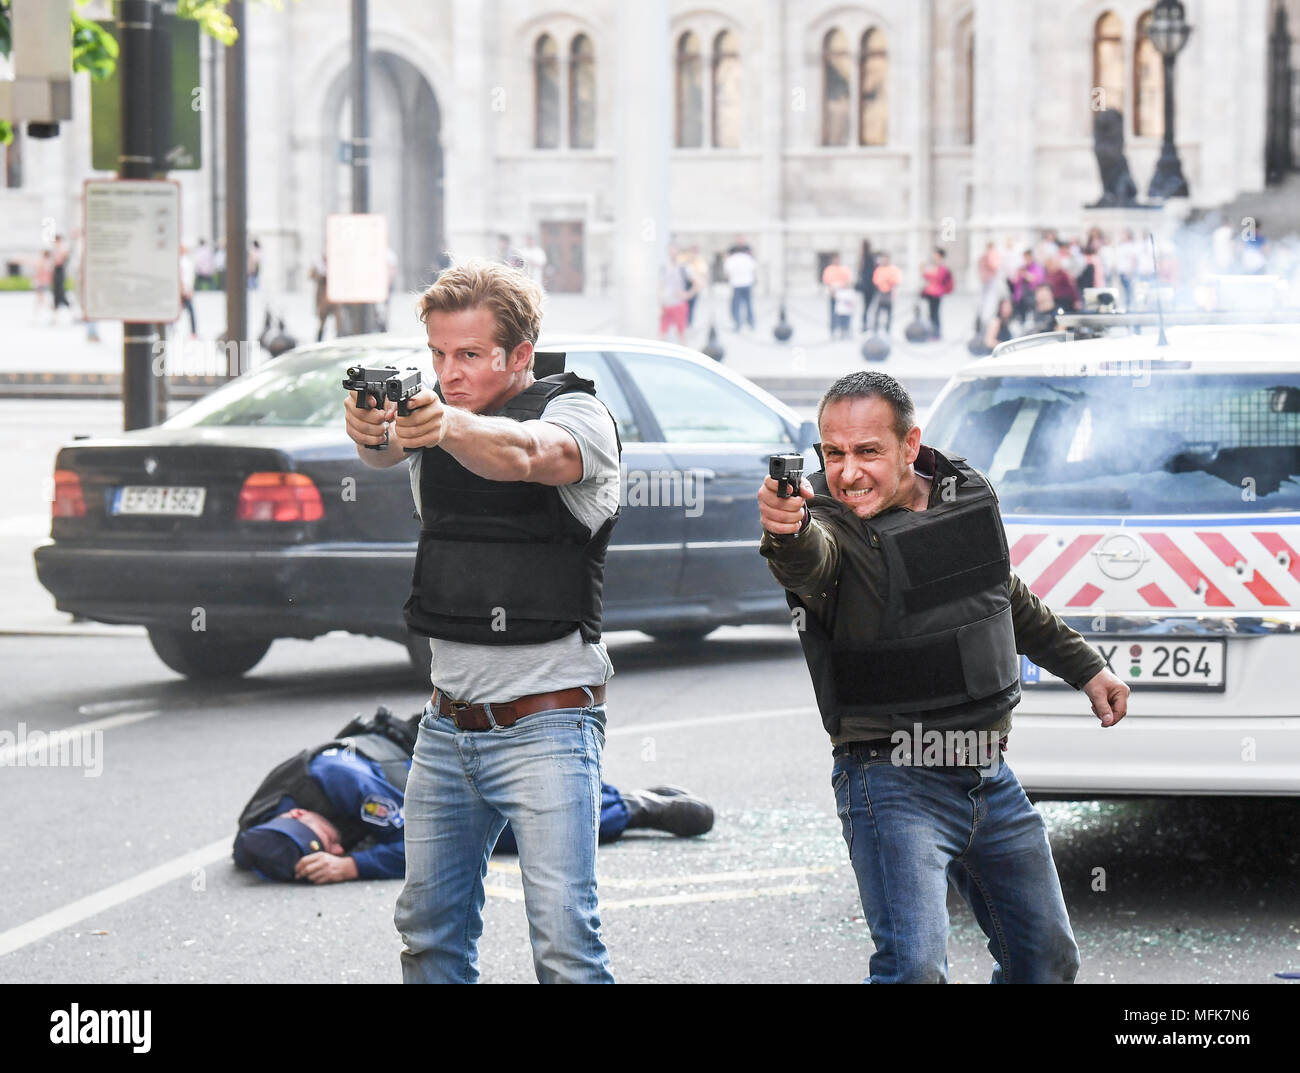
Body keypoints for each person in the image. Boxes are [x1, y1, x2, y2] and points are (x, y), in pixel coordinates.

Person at [755, 370, 1130, 984]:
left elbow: (1001, 595)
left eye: (867, 452)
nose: (847, 473)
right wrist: (786, 529)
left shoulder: (961, 494)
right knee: (915, 970)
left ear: (910, 445)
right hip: (891, 780)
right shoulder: (824, 520)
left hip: (990, 775)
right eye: (833, 453)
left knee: (1046, 960)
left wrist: (1086, 669)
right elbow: (807, 562)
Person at [344, 258, 621, 985]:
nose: (450, 370)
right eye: (438, 353)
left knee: (566, 949)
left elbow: (530, 456)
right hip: (444, 729)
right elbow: (381, 451)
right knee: (429, 938)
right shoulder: (432, 414)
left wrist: (444, 424)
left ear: (520, 354)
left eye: (469, 354)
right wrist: (370, 428)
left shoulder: (578, 414)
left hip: (549, 724)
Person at [232, 708, 714, 884]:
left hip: (439, 760)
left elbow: (424, 847)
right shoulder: (264, 827)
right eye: (319, 854)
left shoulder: (347, 788)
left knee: (527, 829)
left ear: (300, 811)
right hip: (411, 767)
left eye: (321, 841)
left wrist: (351, 867)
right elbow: (251, 850)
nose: (331, 848)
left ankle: (634, 807)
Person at [659, 244, 694, 342]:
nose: (672, 255)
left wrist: (687, 294)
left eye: (675, 252)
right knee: (662, 334)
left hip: (678, 304)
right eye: (671, 252)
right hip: (666, 304)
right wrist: (660, 304)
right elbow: (661, 286)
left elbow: (698, 283)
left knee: (681, 334)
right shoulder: (665, 268)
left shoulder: (683, 268)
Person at [920, 247, 953, 340]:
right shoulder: (934, 267)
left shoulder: (942, 268)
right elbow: (926, 277)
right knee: (931, 314)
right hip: (930, 293)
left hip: (937, 294)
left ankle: (936, 333)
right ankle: (932, 332)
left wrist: (927, 272)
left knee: (935, 314)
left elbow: (937, 278)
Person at [724, 237, 756, 331]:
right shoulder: (748, 258)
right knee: (748, 304)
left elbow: (727, 271)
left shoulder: (731, 259)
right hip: (747, 283)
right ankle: (751, 323)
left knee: (737, 305)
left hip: (736, 284)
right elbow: (753, 268)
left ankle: (738, 323)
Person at [821, 253, 854, 339]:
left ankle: (844, 329)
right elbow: (827, 281)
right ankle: (833, 330)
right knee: (833, 313)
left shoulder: (844, 269)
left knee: (845, 313)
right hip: (833, 294)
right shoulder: (829, 269)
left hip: (843, 294)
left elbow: (849, 281)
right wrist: (832, 290)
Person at [870, 251, 901, 335]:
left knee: (889, 313)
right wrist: (885, 281)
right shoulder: (879, 269)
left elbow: (896, 280)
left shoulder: (893, 269)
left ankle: (888, 330)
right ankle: (875, 329)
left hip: (889, 293)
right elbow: (876, 280)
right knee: (877, 312)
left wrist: (888, 281)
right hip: (881, 292)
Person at [976, 241, 1003, 330]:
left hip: (985, 281)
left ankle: (983, 323)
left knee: (983, 304)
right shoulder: (989, 255)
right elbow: (994, 266)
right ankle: (986, 324)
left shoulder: (982, 255)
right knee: (989, 304)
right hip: (989, 281)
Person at [855, 240, 877, 333]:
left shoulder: (862, 258)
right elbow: (872, 272)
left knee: (866, 307)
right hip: (870, 287)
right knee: (868, 307)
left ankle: (865, 324)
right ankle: (867, 324)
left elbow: (860, 273)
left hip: (865, 286)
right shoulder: (870, 258)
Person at [178, 246, 197, 338]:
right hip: (184, 290)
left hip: (185, 291)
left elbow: (187, 278)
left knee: (189, 311)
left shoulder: (185, 261)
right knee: (189, 311)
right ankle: (193, 332)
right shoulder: (183, 261)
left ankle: (193, 332)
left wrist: (187, 290)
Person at [51, 234, 71, 319]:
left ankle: (69, 310)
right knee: (57, 291)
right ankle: (55, 314)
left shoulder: (62, 247)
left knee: (60, 291)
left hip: (60, 269)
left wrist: (59, 260)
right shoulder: (57, 248)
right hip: (57, 269)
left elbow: (62, 258)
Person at [31, 250, 53, 323]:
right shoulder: (47, 263)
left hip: (41, 283)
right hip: (42, 283)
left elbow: (40, 273)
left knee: (40, 300)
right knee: (40, 300)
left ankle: (51, 314)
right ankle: (51, 314)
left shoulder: (43, 262)